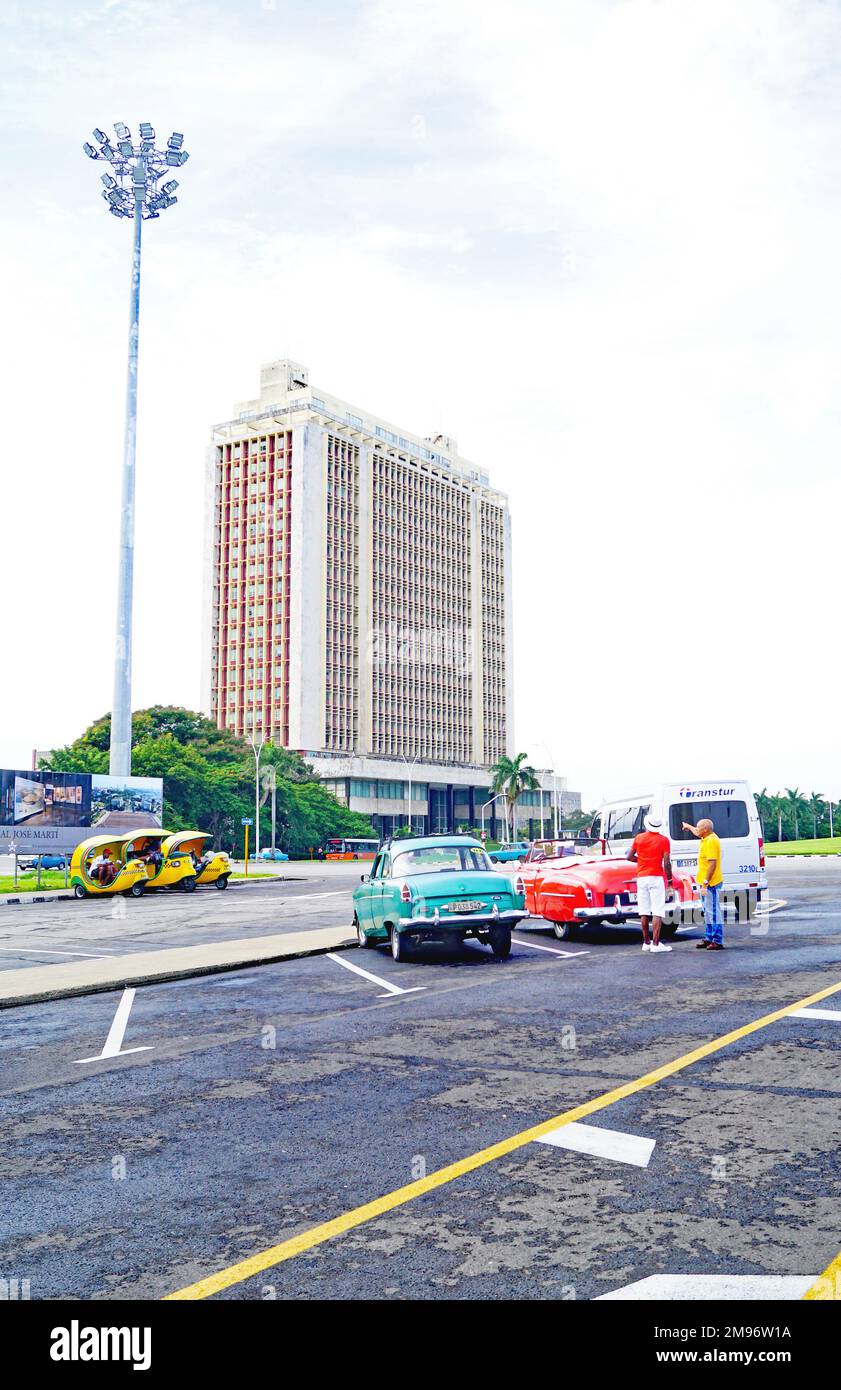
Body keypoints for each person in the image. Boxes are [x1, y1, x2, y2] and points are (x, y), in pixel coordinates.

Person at [627, 812, 674, 954]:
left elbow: (629, 857)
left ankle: (646, 942)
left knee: (644, 911)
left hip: (641, 877)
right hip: (656, 877)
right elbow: (667, 863)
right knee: (657, 911)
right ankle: (656, 943)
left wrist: (641, 861)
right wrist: (670, 880)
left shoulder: (639, 838)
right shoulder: (664, 840)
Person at [681, 817, 724, 950]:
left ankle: (717, 940)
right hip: (705, 882)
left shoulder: (711, 841)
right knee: (707, 911)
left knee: (714, 912)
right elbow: (696, 831)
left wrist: (705, 883)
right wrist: (688, 826)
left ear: (705, 830)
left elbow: (712, 864)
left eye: (699, 827)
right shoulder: (705, 837)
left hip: (710, 883)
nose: (696, 829)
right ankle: (709, 937)